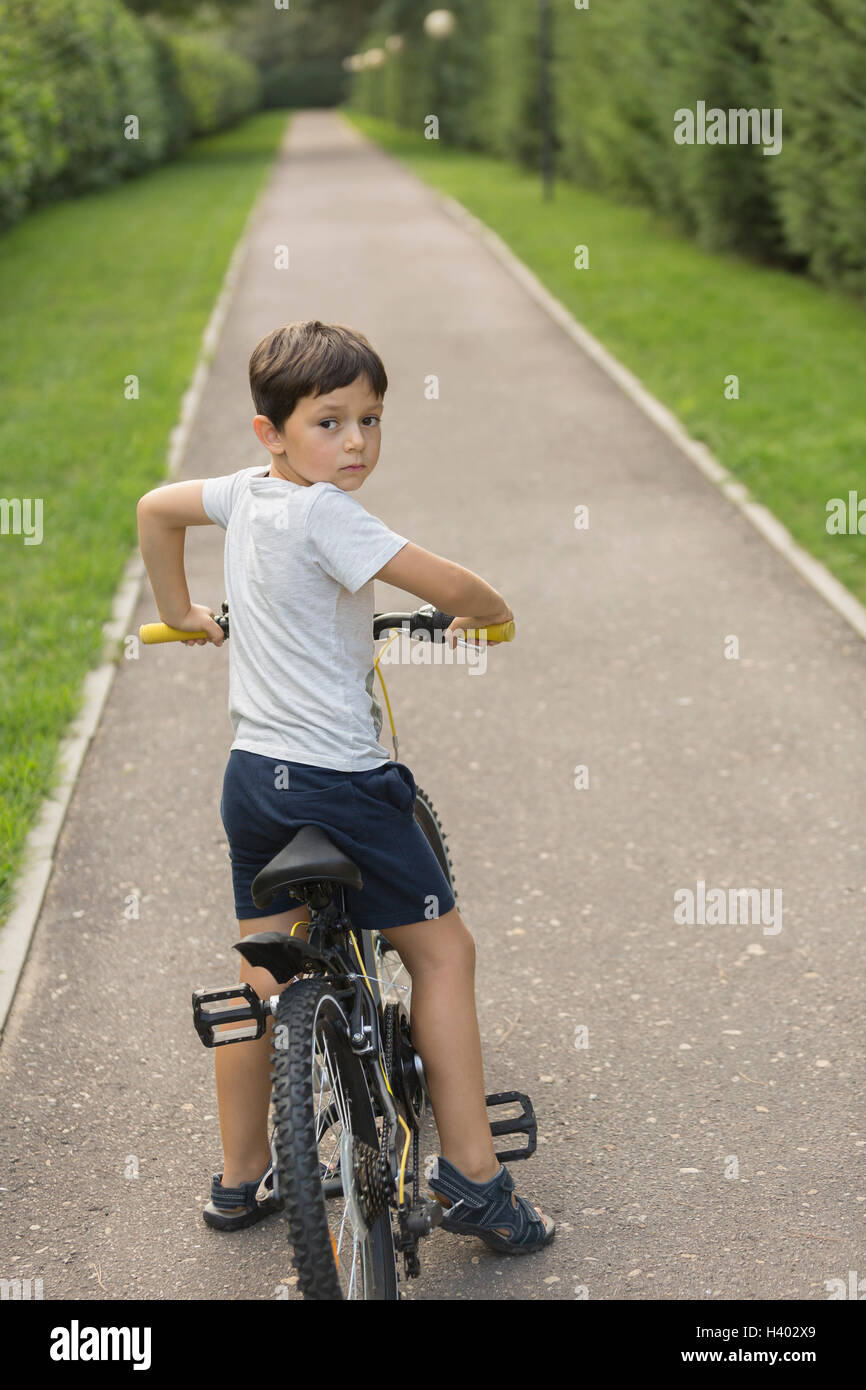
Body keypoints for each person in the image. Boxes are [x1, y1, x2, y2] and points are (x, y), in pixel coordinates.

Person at [137, 319, 554, 1257]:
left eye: (371, 419)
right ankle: (477, 1179)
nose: (356, 442)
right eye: (330, 422)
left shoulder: (243, 496)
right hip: (345, 785)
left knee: (259, 971)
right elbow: (461, 587)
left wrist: (183, 614)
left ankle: (242, 1181)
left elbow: (156, 510)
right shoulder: (331, 514)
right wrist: (478, 614)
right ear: (270, 432)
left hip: (254, 784)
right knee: (444, 955)